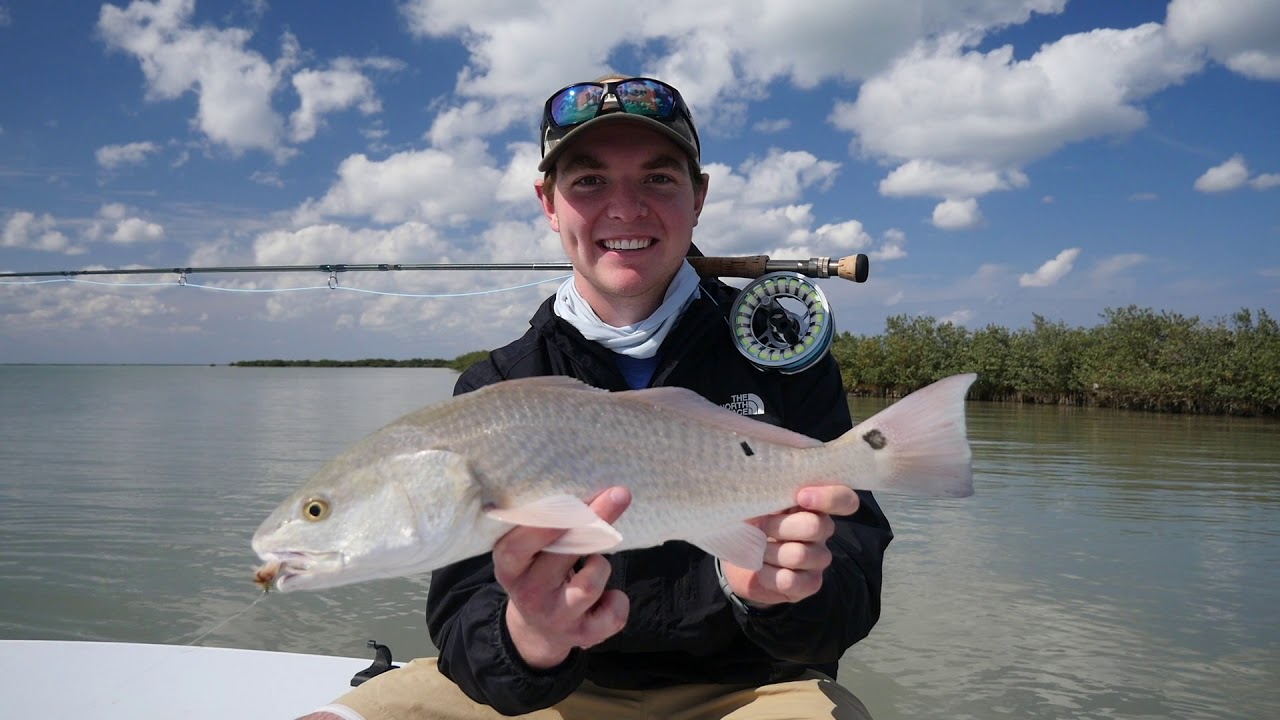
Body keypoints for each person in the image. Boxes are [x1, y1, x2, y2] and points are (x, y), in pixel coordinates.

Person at [301, 74, 892, 720]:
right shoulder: (495, 389)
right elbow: (461, 622)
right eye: (588, 181)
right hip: (549, 694)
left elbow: (852, 594)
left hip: (749, 689)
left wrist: (778, 595)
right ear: (548, 203)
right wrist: (530, 637)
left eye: (659, 179)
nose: (626, 207)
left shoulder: (780, 359)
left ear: (699, 198)